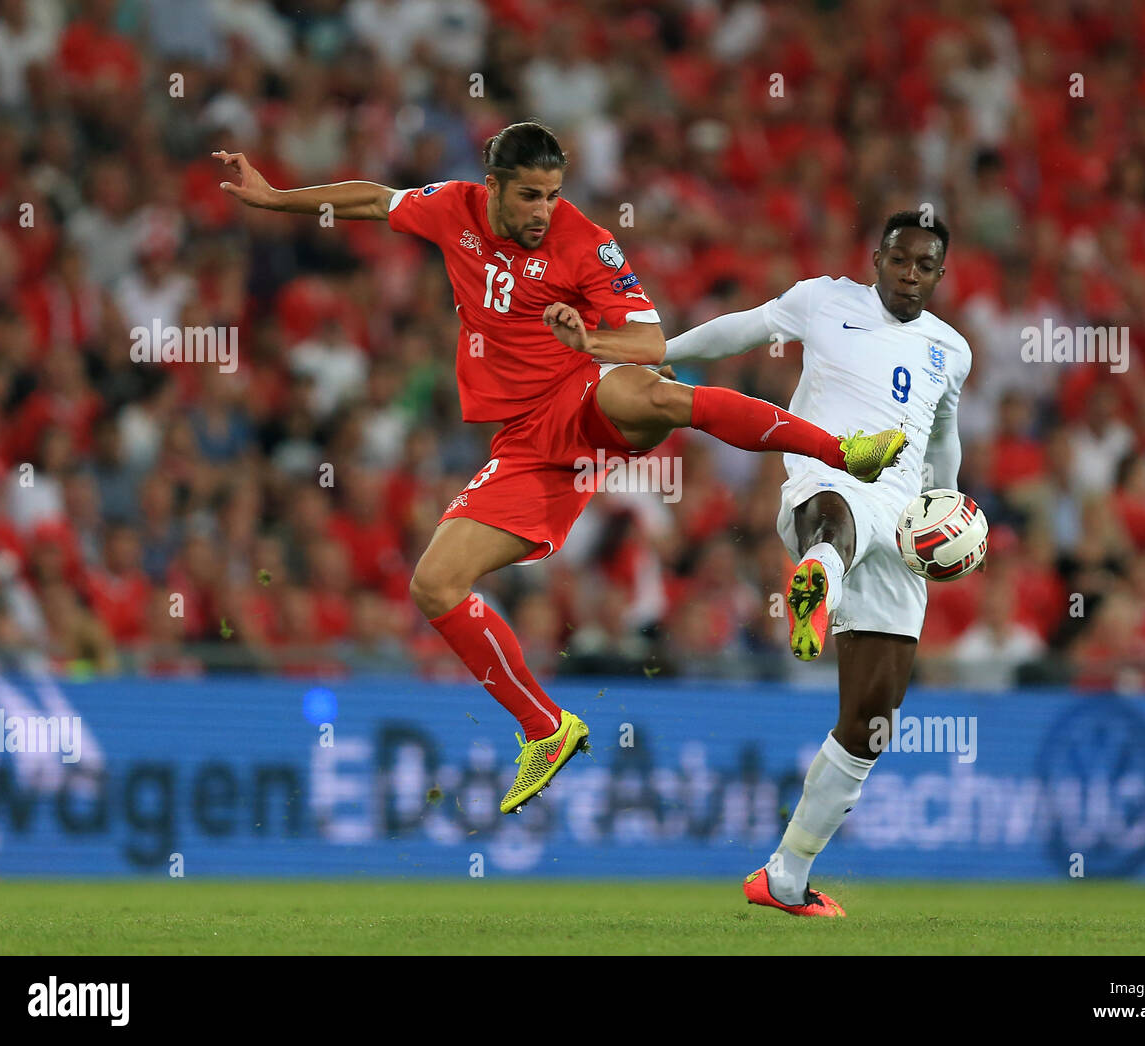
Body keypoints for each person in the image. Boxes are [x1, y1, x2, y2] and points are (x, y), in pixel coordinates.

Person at [215, 122, 907, 816]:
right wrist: (276, 199)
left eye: (551, 195)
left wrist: (590, 339)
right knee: (434, 585)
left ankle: (841, 451)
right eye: (529, 196)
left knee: (656, 391)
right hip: (525, 444)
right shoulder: (452, 208)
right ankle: (545, 726)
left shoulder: (586, 242)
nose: (543, 211)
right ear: (492, 188)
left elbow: (650, 339)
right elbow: (375, 200)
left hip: (583, 390)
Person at [663, 213, 972, 915]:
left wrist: (946, 508)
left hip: (900, 525)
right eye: (899, 260)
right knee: (836, 513)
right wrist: (666, 351)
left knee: (872, 719)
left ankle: (785, 876)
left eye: (925, 266)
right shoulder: (823, 299)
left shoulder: (950, 350)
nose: (910, 274)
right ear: (876, 258)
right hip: (825, 480)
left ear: (939, 274)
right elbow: (742, 326)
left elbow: (944, 437)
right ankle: (819, 581)